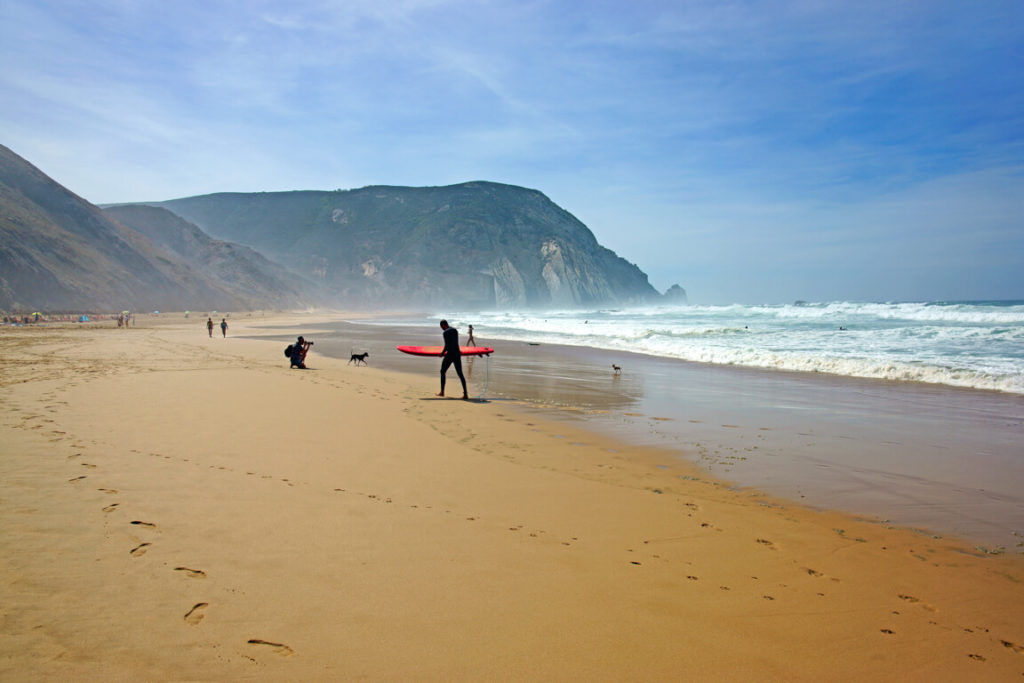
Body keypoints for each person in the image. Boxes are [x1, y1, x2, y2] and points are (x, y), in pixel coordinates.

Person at [437, 320, 468, 400]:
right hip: (457, 354)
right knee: (460, 374)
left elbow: (447, 345)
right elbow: (455, 343)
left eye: (441, 327)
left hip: (450, 355)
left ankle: (442, 392)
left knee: (442, 371)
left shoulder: (445, 332)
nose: (442, 329)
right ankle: (465, 394)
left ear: (443, 325)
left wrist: (442, 353)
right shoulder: (455, 330)